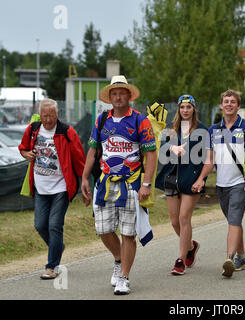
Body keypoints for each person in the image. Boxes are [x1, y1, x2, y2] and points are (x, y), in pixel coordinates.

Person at [81, 75, 157, 295]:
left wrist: (147, 184)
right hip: (105, 183)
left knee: (128, 232)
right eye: (114, 93)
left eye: (122, 93)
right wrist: (85, 178)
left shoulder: (139, 120)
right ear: (110, 97)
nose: (118, 97)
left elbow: (150, 154)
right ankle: (118, 258)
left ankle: (124, 276)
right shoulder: (101, 120)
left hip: (131, 183)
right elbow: (93, 151)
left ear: (129, 96)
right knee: (103, 229)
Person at [18, 98, 86, 279]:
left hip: (61, 188)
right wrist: (27, 154)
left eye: (52, 116)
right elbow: (22, 148)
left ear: (57, 114)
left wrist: (85, 183)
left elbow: (80, 159)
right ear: (40, 115)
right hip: (40, 187)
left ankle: (52, 266)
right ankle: (57, 247)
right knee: (40, 225)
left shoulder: (66, 132)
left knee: (55, 225)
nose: (48, 120)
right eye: (45, 116)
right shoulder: (32, 130)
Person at [192, 89, 245, 278]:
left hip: (240, 182)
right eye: (226, 101)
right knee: (234, 221)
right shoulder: (213, 130)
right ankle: (242, 256)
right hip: (221, 184)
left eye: (232, 101)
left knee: (234, 219)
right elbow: (210, 160)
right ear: (221, 105)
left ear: (237, 106)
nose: (228, 104)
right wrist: (201, 178)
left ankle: (229, 258)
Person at [155, 94, 207, 275]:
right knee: (175, 221)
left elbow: (208, 159)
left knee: (185, 219)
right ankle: (191, 246)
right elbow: (161, 148)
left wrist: (201, 179)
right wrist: (172, 148)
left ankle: (180, 260)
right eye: (182, 107)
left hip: (191, 178)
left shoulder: (202, 130)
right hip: (172, 177)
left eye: (189, 107)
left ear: (194, 109)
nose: (185, 110)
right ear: (178, 109)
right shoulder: (171, 129)